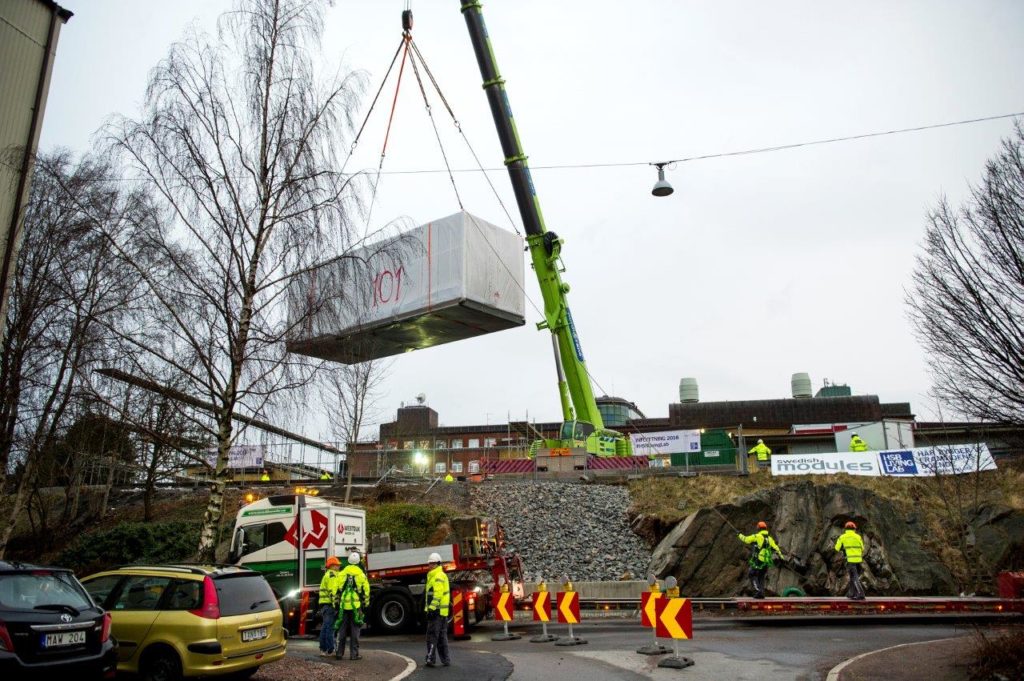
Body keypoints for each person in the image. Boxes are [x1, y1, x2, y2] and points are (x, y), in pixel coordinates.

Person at [335, 551, 370, 661]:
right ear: (358, 562)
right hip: (356, 606)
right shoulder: (361, 574)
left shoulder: (341, 573)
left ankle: (339, 653)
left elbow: (336, 590)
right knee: (355, 631)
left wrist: (336, 603)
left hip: (343, 607)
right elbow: (366, 591)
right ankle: (354, 655)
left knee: (342, 630)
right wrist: (366, 604)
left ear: (348, 561)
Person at [738, 520, 784, 599]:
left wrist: (739, 534)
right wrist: (781, 557)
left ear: (759, 528)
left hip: (758, 560)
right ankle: (761, 593)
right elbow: (776, 548)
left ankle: (758, 591)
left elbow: (746, 539)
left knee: (752, 574)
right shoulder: (769, 539)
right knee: (761, 576)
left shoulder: (757, 536)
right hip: (766, 561)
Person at [424, 551, 451, 668]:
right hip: (442, 612)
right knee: (441, 637)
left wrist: (431, 609)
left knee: (432, 636)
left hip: (436, 612)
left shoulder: (437, 576)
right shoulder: (439, 575)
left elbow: (437, 594)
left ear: (437, 564)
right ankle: (446, 660)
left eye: (432, 563)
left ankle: (430, 659)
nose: (430, 565)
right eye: (429, 563)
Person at [835, 521, 866, 600]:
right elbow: (863, 548)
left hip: (850, 560)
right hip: (858, 560)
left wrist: (844, 548)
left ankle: (861, 593)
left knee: (854, 577)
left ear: (845, 529)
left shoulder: (843, 537)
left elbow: (836, 548)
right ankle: (851, 593)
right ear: (854, 529)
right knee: (853, 576)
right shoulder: (858, 537)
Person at [318, 556, 342, 656]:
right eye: (337, 565)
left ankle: (323, 649)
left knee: (325, 627)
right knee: (330, 628)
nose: (339, 566)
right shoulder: (332, 576)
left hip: (325, 605)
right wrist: (336, 605)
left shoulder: (328, 575)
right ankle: (330, 649)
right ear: (332, 566)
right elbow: (333, 592)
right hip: (329, 605)